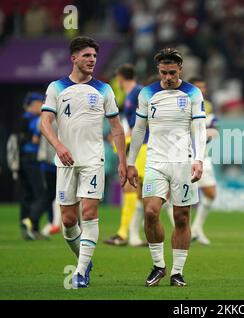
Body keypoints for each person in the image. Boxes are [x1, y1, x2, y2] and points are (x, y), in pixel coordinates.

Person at [40, 36, 127, 288]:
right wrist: (59, 146)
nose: (92, 60)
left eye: (95, 56)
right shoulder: (56, 87)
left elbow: (116, 128)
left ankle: (79, 274)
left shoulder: (104, 89)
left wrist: (122, 161)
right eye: (87, 56)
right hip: (65, 161)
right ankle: (84, 261)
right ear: (74, 58)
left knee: (89, 213)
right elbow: (45, 123)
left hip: (93, 160)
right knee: (68, 221)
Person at [127, 48, 206, 287]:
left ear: (180, 69)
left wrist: (199, 159)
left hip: (183, 162)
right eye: (164, 73)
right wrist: (130, 162)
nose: (168, 77)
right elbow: (139, 129)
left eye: (172, 72)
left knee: (181, 218)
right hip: (155, 162)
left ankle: (177, 272)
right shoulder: (147, 93)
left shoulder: (193, 93)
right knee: (151, 211)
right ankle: (158, 265)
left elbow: (199, 128)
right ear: (158, 71)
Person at [104, 63, 146, 247]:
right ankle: (134, 236)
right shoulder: (131, 94)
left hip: (142, 146)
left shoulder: (138, 92)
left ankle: (123, 234)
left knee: (132, 189)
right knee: (139, 193)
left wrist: (130, 135)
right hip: (140, 145)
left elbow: (146, 118)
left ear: (120, 77)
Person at [189, 77, 219, 245]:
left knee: (211, 193)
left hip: (203, 156)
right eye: (198, 87)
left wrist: (210, 130)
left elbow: (212, 128)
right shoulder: (184, 102)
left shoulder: (207, 106)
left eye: (203, 87)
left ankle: (196, 229)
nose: (201, 90)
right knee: (171, 196)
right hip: (184, 156)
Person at [18, 92, 48, 240]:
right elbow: (36, 139)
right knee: (41, 194)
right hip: (32, 160)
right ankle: (31, 223)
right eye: (39, 103)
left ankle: (28, 227)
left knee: (28, 194)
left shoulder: (23, 119)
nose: (42, 105)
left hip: (22, 160)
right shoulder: (33, 120)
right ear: (32, 104)